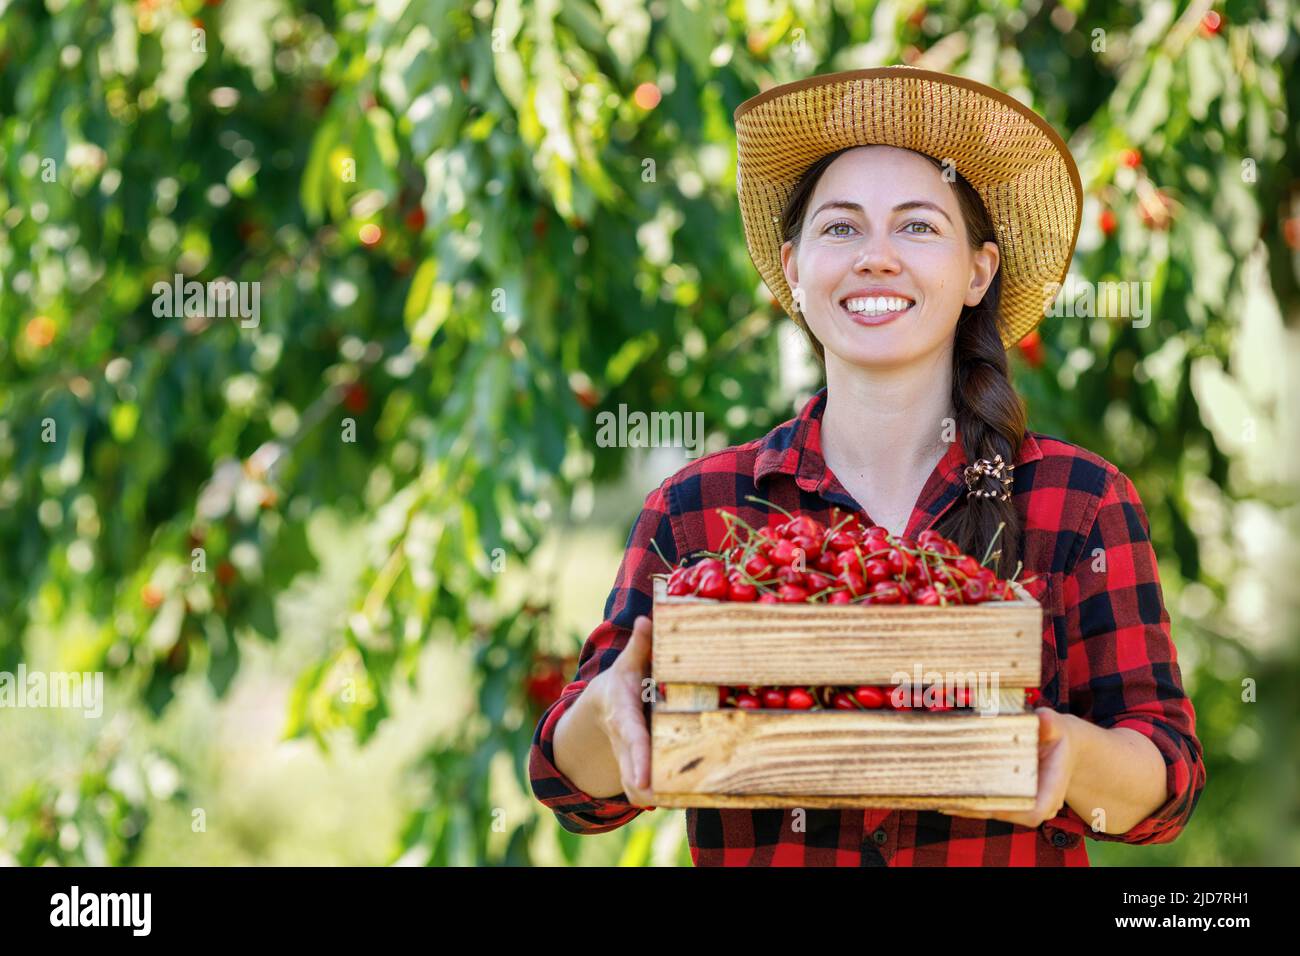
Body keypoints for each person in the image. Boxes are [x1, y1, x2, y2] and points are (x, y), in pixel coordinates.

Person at [529, 66, 1206, 865]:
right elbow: (569, 783)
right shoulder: (697, 509)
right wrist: (614, 713)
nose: (876, 257)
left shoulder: (1078, 501)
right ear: (793, 267)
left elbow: (1165, 783)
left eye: (917, 227)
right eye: (841, 228)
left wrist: (1067, 759)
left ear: (978, 272)